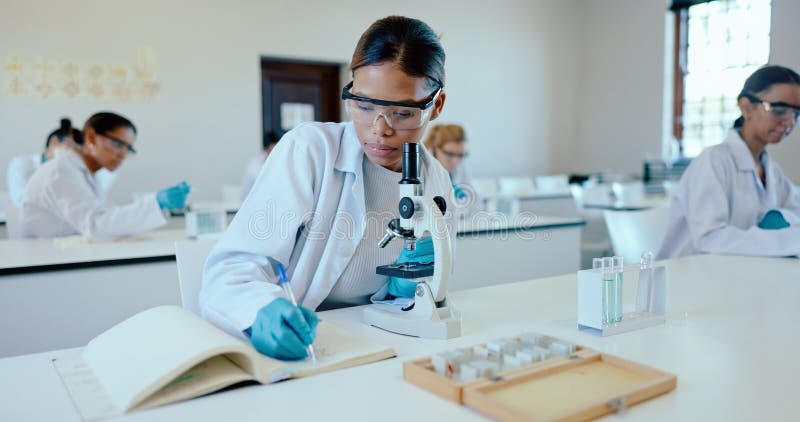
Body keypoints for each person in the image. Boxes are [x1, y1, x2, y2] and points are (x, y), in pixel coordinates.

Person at [201, 16, 454, 361]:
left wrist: (411, 291)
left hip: (379, 345)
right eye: (364, 106)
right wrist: (260, 310)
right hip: (303, 349)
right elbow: (231, 271)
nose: (379, 129)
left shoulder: (436, 179)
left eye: (401, 113)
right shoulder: (309, 151)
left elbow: (422, 294)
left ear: (436, 105)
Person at [658, 65, 800, 259]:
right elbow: (710, 237)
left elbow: (795, 210)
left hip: (736, 274)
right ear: (746, 107)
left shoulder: (772, 171)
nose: (790, 122)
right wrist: (788, 241)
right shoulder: (713, 161)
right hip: (690, 276)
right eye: (779, 110)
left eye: (796, 113)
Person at [19, 112, 191, 239]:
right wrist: (155, 203)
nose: (123, 155)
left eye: (128, 148)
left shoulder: (85, 173)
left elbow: (101, 220)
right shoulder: (60, 171)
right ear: (92, 137)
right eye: (117, 144)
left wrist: (156, 205)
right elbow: (95, 225)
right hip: (42, 263)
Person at [6, 118, 116, 207]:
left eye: (79, 152)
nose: (74, 156)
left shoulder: (76, 169)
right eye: (71, 149)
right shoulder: (21, 164)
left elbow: (95, 203)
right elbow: (21, 203)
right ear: (54, 141)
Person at [423, 123, 472, 201]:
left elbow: (473, 199)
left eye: (460, 155)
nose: (455, 161)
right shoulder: (423, 168)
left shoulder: (461, 166)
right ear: (436, 148)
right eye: (450, 154)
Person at [241, 131, 279, 200]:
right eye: (272, 150)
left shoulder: (275, 162)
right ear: (265, 150)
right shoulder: (254, 164)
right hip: (250, 202)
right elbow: (266, 184)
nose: (275, 153)